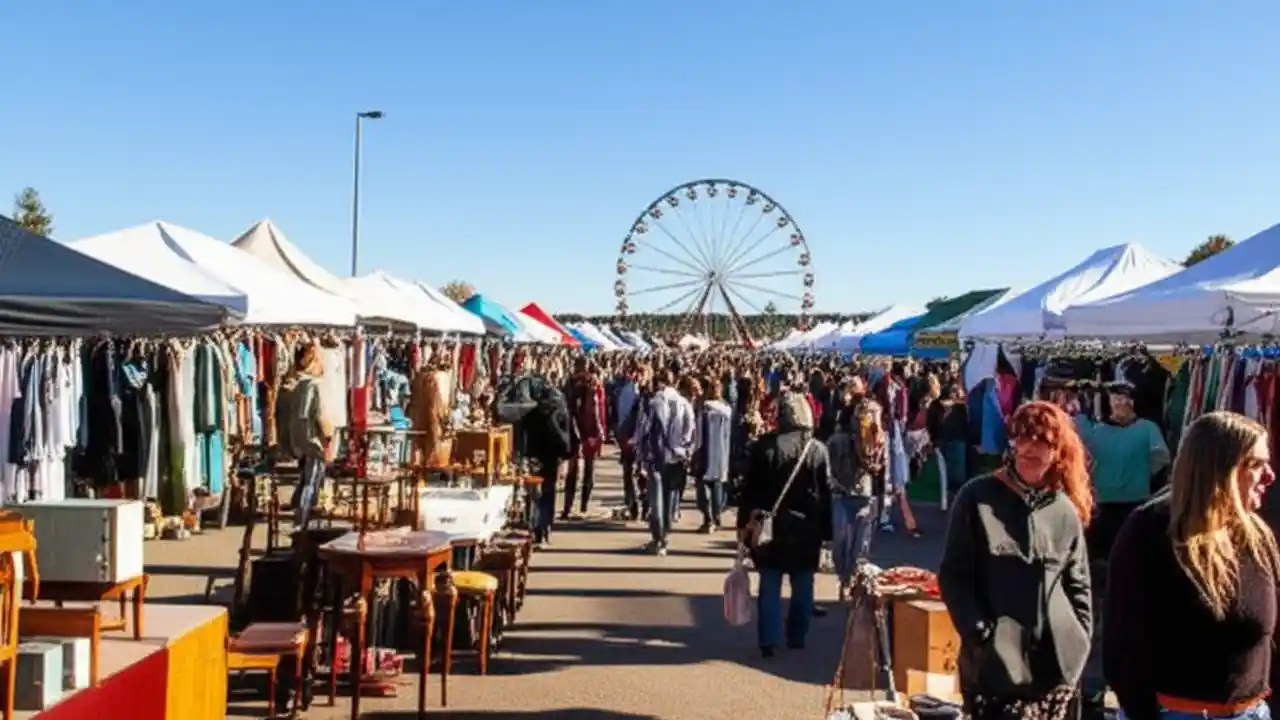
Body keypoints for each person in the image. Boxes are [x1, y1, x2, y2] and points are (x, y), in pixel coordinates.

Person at [1105, 412, 1279, 720]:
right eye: (1254, 464)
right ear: (1217, 469)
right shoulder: (1151, 531)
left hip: (1253, 712)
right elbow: (1122, 640)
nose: (1270, 476)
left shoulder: (1255, 536)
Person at [938, 401, 1094, 720]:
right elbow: (954, 575)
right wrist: (980, 634)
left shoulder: (1065, 511)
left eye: (1040, 442)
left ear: (1057, 451)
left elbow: (1079, 585)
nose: (1028, 449)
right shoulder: (977, 497)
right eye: (1022, 439)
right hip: (993, 673)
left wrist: (1079, 640)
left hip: (1055, 672)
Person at [737, 391, 832, 658]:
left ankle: (769, 639)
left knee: (769, 584)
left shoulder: (764, 447)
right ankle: (797, 635)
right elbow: (825, 495)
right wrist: (827, 532)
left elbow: (750, 491)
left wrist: (744, 526)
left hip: (770, 526)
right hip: (807, 528)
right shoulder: (817, 450)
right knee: (803, 583)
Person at [826, 383, 885, 601]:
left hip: (858, 491)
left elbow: (880, 460)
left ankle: (849, 581)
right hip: (849, 490)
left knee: (852, 542)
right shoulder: (838, 440)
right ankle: (847, 579)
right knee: (853, 542)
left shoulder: (844, 439)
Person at [636, 369, 695, 556]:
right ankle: (665, 536)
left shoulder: (653, 403)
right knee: (670, 498)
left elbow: (643, 429)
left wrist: (640, 452)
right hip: (676, 456)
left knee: (656, 499)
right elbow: (690, 431)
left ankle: (658, 539)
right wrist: (684, 451)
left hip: (656, 457)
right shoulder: (684, 403)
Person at [276, 343, 334, 530]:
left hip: (296, 439)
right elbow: (318, 414)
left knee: (308, 476)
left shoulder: (295, 385)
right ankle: (302, 517)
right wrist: (328, 436)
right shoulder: (311, 386)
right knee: (313, 477)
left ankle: (299, 509)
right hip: (311, 439)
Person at [563, 363, 605, 519]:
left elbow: (595, 413)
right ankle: (579, 506)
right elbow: (595, 413)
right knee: (584, 471)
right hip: (584, 434)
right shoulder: (583, 388)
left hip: (584, 434)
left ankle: (575, 506)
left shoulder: (578, 387)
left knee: (578, 472)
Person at [693, 378, 733, 533]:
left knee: (704, 487)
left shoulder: (704, 409)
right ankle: (716, 517)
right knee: (717, 486)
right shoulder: (727, 409)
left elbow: (698, 432)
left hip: (706, 450)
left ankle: (708, 518)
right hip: (721, 452)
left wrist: (695, 450)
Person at [926, 380, 970, 496]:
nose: (955, 393)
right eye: (954, 390)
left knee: (952, 471)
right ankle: (953, 492)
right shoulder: (957, 407)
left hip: (953, 439)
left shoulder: (960, 406)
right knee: (953, 470)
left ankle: (953, 492)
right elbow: (930, 424)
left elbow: (930, 424)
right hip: (947, 440)